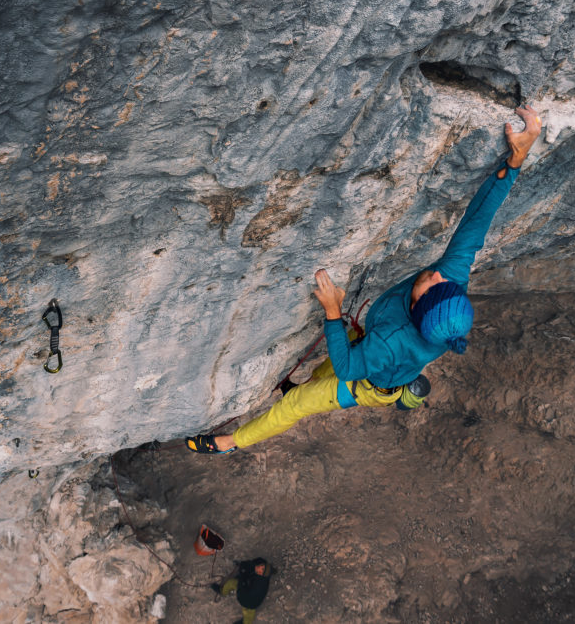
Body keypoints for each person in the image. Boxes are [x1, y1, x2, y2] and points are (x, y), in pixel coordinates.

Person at [187, 105, 542, 454]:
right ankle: (371, 386)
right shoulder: (447, 286)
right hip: (379, 351)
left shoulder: (390, 341)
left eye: (432, 285)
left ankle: (230, 443)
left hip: (367, 383)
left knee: (295, 405)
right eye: (443, 282)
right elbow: (476, 224)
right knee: (333, 361)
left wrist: (331, 311)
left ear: (416, 308)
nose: (436, 274)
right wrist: (514, 162)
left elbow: (347, 367)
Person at [211, 557, 273, 624]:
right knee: (231, 583)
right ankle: (222, 591)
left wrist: (242, 575)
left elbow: (242, 589)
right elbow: (253, 564)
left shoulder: (258, 585)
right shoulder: (263, 575)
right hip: (252, 597)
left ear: (261, 574)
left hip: (247, 601)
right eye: (262, 566)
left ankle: (222, 591)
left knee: (232, 583)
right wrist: (243, 565)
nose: (259, 567)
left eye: (262, 570)